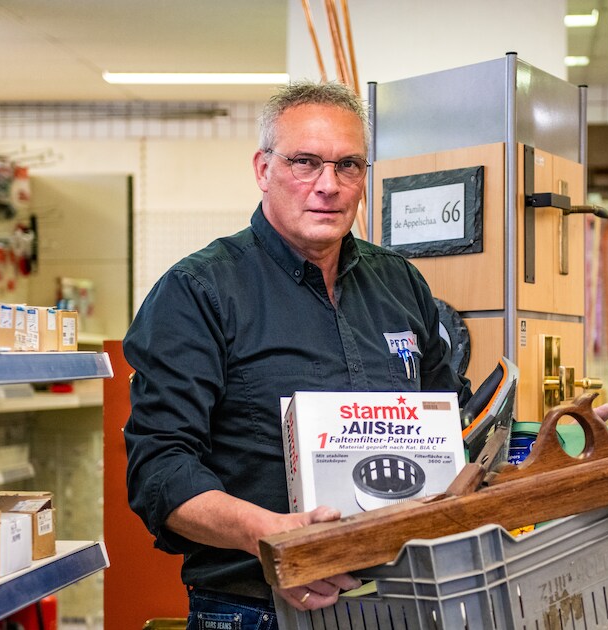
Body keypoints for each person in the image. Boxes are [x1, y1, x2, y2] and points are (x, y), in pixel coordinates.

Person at [122, 80, 474, 628]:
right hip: (257, 608)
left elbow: (454, 423)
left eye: (348, 166)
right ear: (263, 169)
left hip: (406, 598)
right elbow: (160, 471)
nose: (328, 186)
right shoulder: (199, 291)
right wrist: (273, 535)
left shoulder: (400, 283)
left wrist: (535, 451)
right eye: (305, 163)